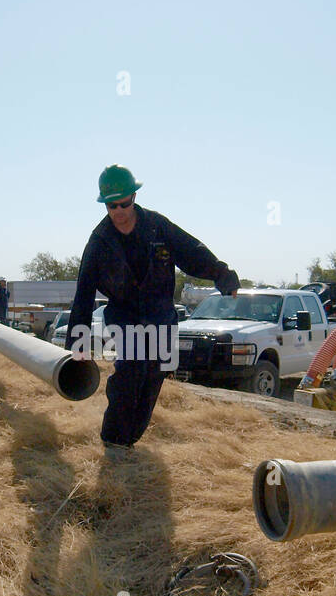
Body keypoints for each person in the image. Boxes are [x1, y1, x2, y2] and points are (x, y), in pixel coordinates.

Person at [69, 165, 239, 453]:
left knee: (154, 375)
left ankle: (130, 440)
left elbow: (191, 252)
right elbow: (83, 292)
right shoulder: (99, 242)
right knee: (131, 371)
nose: (119, 211)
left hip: (161, 316)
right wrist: (78, 343)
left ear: (134, 197)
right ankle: (113, 442)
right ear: (105, 204)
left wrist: (222, 275)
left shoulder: (158, 227)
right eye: (112, 205)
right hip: (125, 316)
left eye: (125, 203)